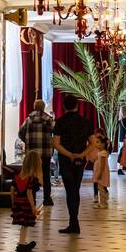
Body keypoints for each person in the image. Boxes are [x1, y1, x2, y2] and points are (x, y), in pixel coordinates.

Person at [52, 94, 94, 234]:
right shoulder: (86, 122)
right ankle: (74, 223)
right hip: (80, 161)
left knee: (70, 190)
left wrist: (69, 154)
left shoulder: (60, 122)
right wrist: (81, 155)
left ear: (64, 106)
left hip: (66, 160)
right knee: (75, 189)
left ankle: (74, 223)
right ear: (77, 105)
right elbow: (93, 143)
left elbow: (56, 144)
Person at [18, 98, 55, 205]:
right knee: (46, 175)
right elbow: (55, 131)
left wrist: (28, 141)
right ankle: (47, 199)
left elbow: (20, 133)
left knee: (32, 175)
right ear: (43, 108)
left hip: (32, 153)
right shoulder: (49, 120)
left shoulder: (28, 120)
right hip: (45, 153)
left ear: (34, 107)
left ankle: (32, 198)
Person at [12, 152, 42, 252]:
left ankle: (22, 242)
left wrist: (13, 202)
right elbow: (29, 192)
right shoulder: (32, 179)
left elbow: (12, 190)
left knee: (23, 224)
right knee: (25, 224)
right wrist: (33, 207)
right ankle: (21, 243)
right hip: (26, 204)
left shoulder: (17, 176)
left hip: (18, 202)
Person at [116, 104, 126, 174]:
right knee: (122, 155)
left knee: (121, 154)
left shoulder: (121, 120)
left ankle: (119, 168)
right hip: (124, 139)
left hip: (121, 139)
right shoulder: (125, 120)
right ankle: (119, 169)